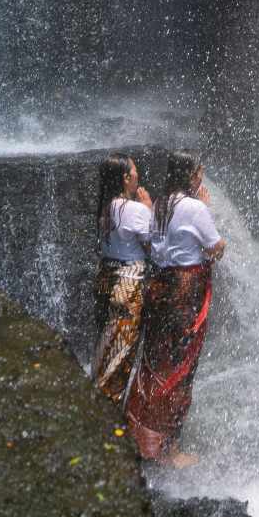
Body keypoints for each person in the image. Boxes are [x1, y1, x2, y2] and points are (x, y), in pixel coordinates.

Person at [126, 149, 226, 467]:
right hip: (187, 291)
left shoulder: (160, 205)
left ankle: (142, 438)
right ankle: (169, 449)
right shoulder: (195, 208)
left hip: (161, 286)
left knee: (155, 363)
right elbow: (216, 249)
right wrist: (206, 210)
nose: (201, 177)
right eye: (199, 172)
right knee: (181, 368)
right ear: (192, 176)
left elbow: (155, 250)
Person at [92, 152, 152, 409]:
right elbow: (157, 245)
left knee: (105, 347)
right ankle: (104, 415)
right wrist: (149, 209)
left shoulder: (105, 206)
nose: (139, 175)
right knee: (120, 354)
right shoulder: (134, 210)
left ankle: (97, 403)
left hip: (105, 278)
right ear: (126, 178)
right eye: (135, 172)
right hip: (128, 282)